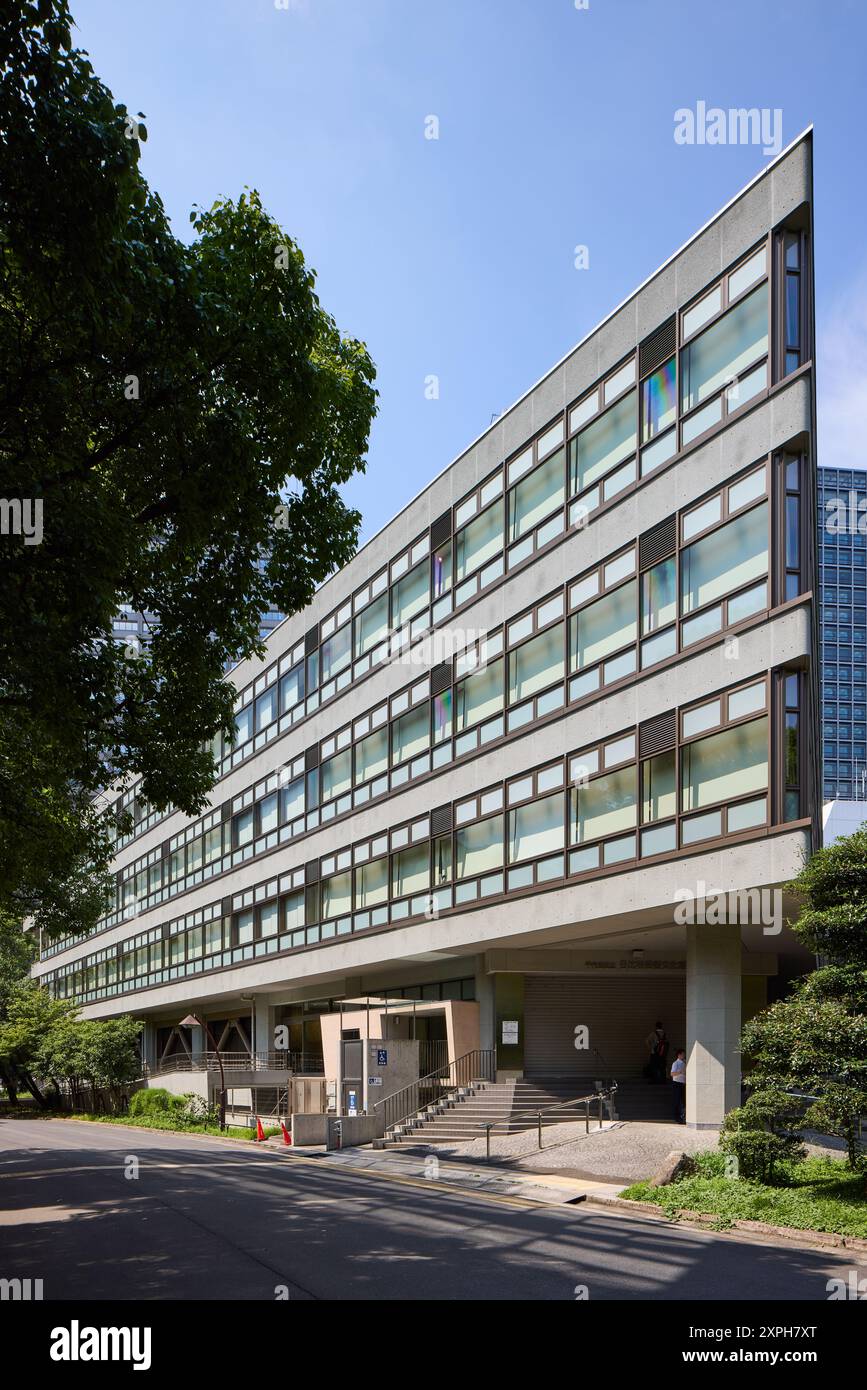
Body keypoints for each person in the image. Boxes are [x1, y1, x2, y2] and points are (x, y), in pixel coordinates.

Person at [670, 1048, 686, 1123]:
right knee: (677, 1100)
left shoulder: (684, 1062)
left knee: (683, 1101)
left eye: (684, 1054)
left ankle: (682, 1116)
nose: (684, 1055)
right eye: (682, 1054)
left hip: (683, 1084)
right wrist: (680, 1072)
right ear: (679, 1055)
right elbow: (672, 1074)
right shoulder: (675, 1063)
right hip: (676, 1083)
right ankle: (676, 1117)